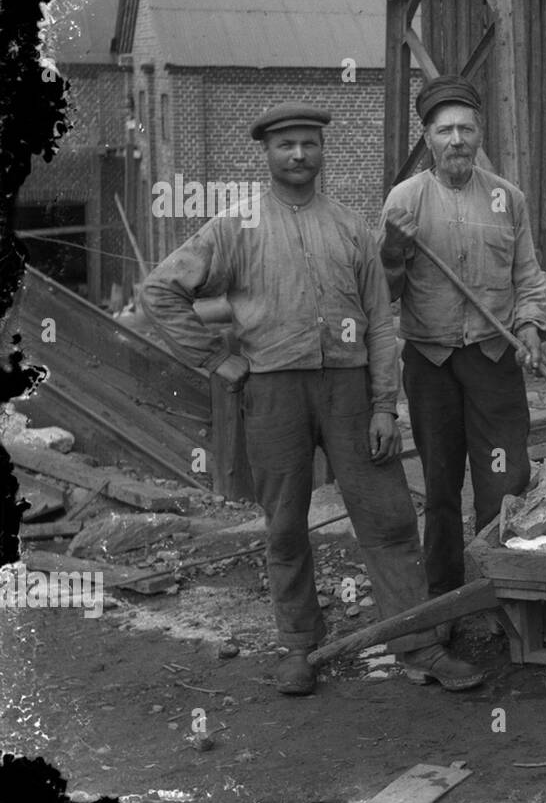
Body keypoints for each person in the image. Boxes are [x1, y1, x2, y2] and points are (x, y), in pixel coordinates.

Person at [141, 102, 463, 695]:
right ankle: (298, 647)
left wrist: (385, 405)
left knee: (389, 521)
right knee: (285, 526)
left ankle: (419, 645)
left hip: (350, 390)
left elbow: (380, 321)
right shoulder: (235, 226)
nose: (298, 155)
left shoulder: (349, 227)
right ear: (266, 153)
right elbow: (160, 292)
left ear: (322, 152)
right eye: (286, 145)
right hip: (273, 392)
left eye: (309, 144)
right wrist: (218, 359)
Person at [379, 75, 546, 684]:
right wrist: (393, 256)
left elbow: (529, 279)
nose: (457, 139)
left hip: (493, 363)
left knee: (507, 482)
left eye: (466, 129)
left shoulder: (509, 199)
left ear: (481, 136)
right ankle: (445, 607)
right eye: (445, 129)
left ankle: (508, 603)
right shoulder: (403, 200)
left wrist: (529, 327)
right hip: (430, 366)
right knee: (442, 489)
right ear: (427, 138)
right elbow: (387, 294)